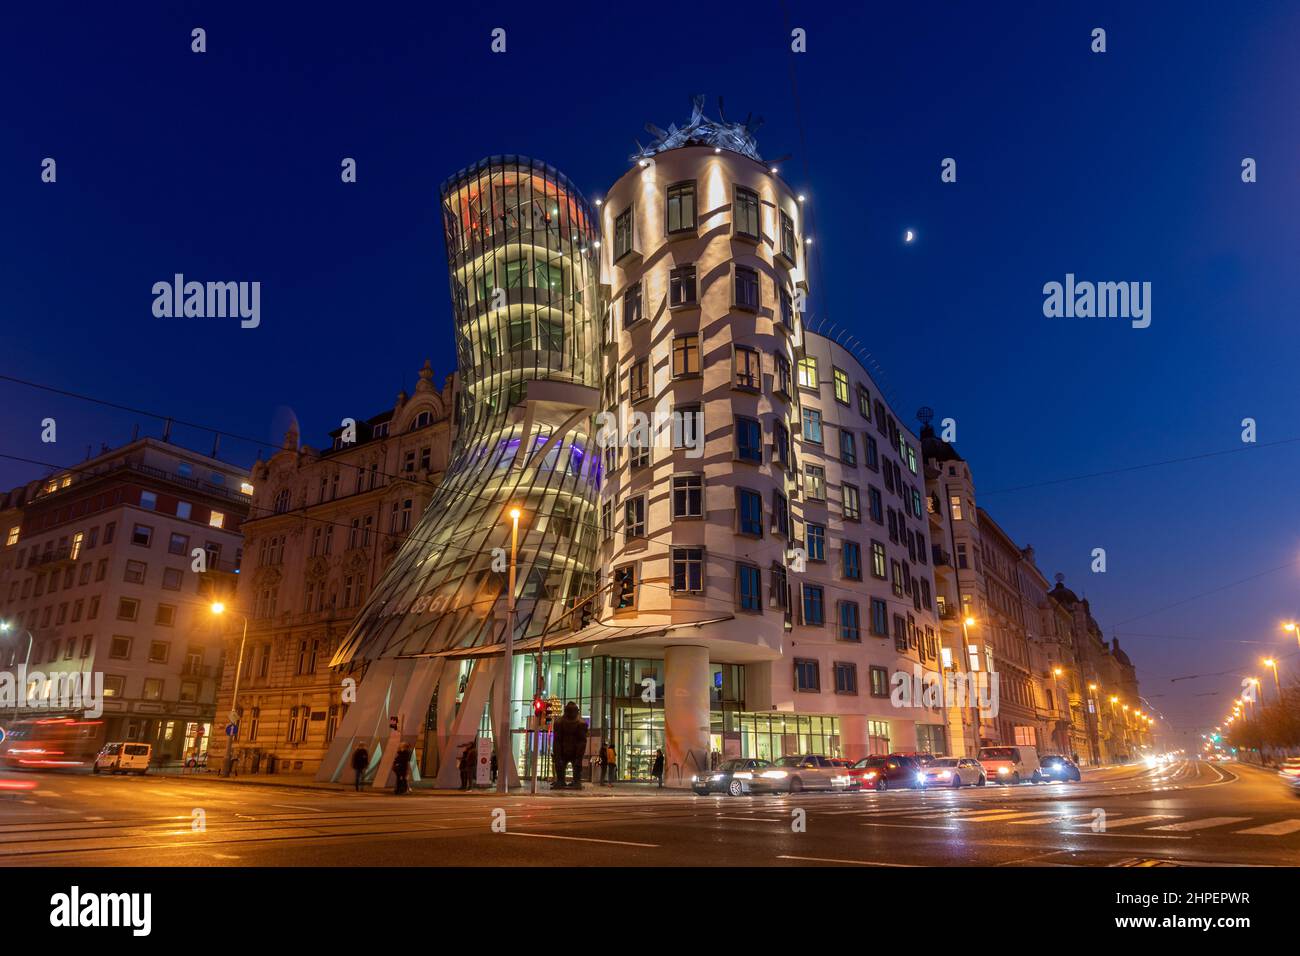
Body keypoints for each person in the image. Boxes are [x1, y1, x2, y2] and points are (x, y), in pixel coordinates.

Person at [552, 701, 588, 789]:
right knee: (560, 765)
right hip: (563, 749)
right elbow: (557, 741)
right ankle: (561, 781)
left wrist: (579, 756)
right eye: (569, 711)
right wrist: (557, 755)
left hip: (575, 750)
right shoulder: (559, 722)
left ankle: (575, 781)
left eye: (573, 711)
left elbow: (582, 742)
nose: (571, 713)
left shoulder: (581, 723)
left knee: (577, 766)